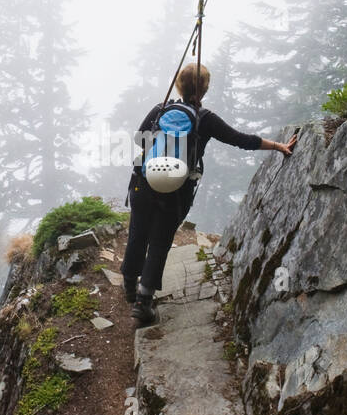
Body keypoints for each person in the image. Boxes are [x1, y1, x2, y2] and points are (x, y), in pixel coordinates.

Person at [120, 62, 297, 326]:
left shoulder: (161, 109)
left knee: (138, 233)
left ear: (179, 84)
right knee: (159, 242)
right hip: (176, 191)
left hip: (144, 183)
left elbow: (138, 140)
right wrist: (277, 146)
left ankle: (129, 287)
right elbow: (241, 140)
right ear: (203, 90)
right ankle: (143, 303)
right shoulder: (205, 119)